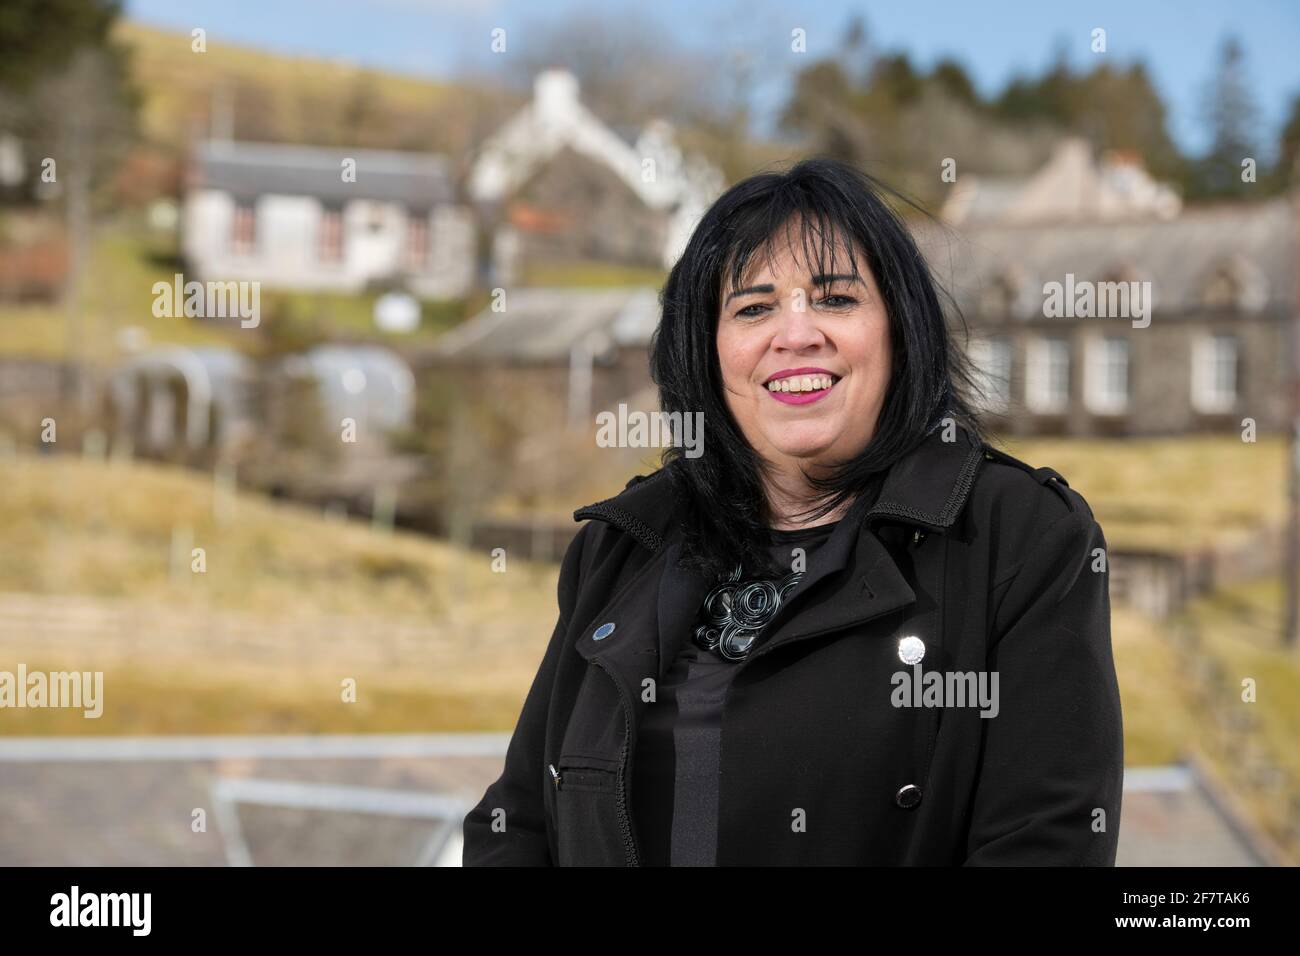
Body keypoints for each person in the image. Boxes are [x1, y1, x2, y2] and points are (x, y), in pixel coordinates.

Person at [462, 157, 1123, 866]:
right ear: (708, 353)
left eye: (836, 299)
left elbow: (1044, 846)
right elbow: (517, 823)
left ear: (900, 331)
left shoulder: (1017, 536)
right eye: (753, 307)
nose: (796, 333)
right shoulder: (621, 547)